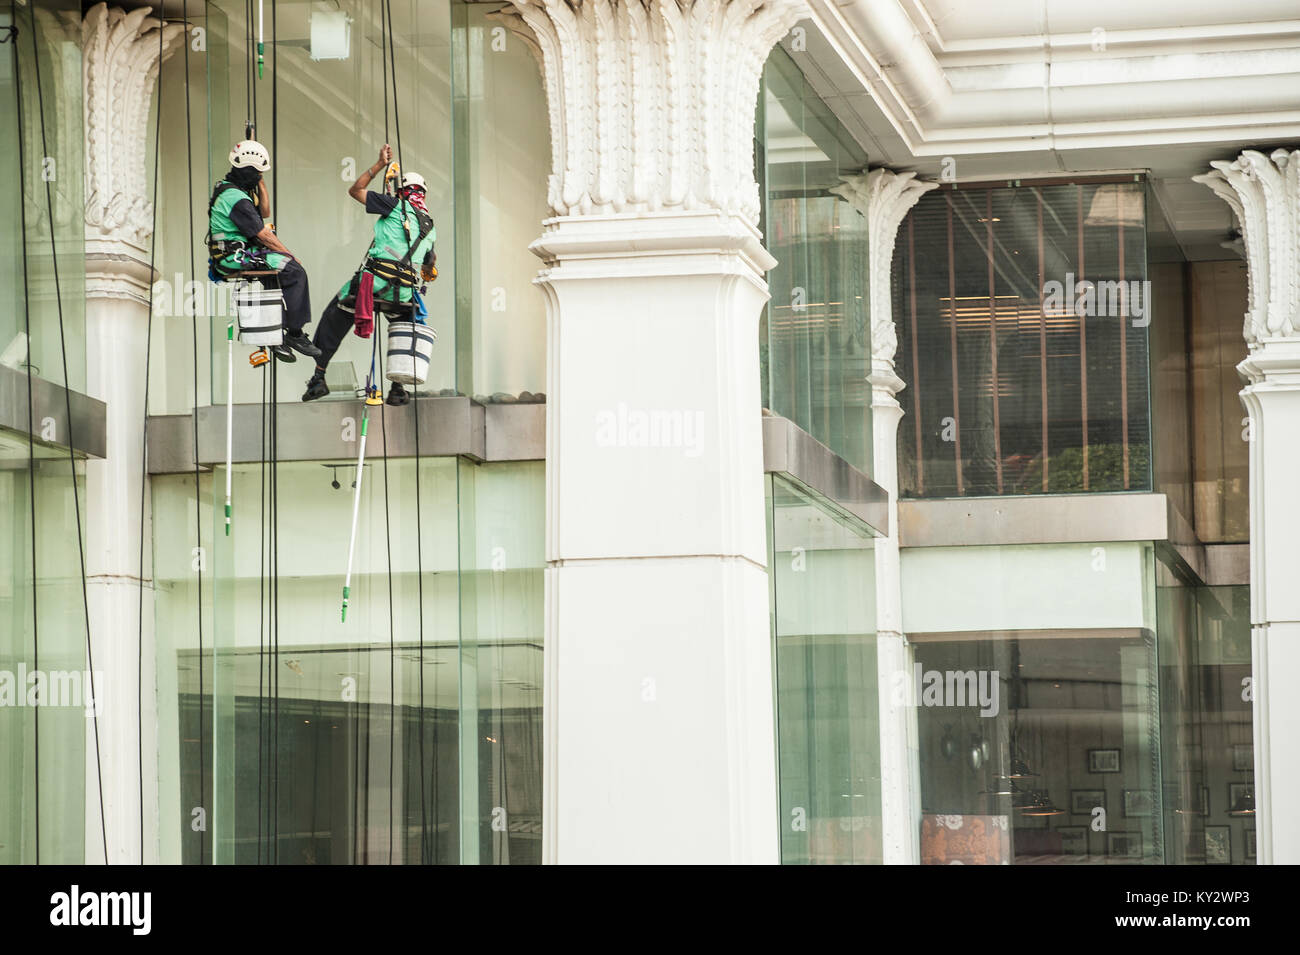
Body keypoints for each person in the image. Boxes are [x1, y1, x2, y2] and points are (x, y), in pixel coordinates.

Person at [302, 144, 436, 405]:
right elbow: (430, 264)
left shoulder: (394, 205)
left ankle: (318, 377)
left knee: (336, 312)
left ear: (402, 192)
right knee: (405, 321)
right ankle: (397, 387)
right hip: (404, 292)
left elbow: (356, 191)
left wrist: (378, 165)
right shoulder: (430, 226)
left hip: (374, 285)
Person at [206, 140, 320, 362]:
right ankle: (294, 333)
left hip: (237, 254)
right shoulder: (236, 198)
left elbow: (265, 212)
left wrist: (261, 181)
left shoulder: (235, 190)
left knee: (276, 275)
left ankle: (275, 335)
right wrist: (289, 254)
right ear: (250, 171)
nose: (260, 176)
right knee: (294, 270)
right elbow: (264, 234)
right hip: (234, 257)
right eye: (258, 172)